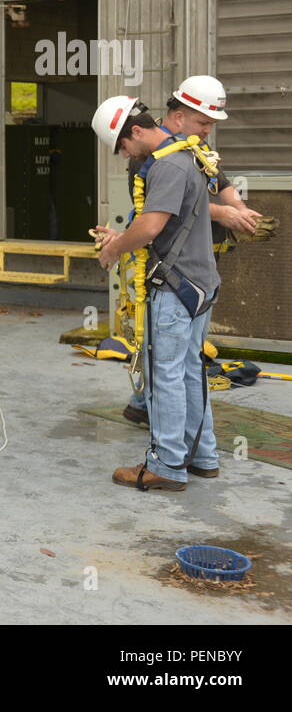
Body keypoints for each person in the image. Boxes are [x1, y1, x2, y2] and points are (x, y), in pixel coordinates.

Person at [92, 95, 221, 490]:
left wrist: (114, 249)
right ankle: (203, 455)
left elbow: (149, 228)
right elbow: (163, 226)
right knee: (188, 373)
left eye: (122, 147)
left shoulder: (167, 166)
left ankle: (165, 465)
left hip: (175, 289)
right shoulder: (191, 158)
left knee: (164, 376)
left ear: (134, 132)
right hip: (200, 284)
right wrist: (123, 236)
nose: (123, 155)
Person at [120, 75, 261, 425]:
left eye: (211, 124)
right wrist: (223, 213)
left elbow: (221, 183)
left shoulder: (195, 151)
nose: (207, 130)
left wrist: (239, 211)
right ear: (178, 116)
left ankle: (151, 411)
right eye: (203, 122)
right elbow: (162, 213)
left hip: (199, 264)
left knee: (179, 354)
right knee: (169, 354)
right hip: (173, 270)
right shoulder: (152, 158)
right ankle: (156, 420)